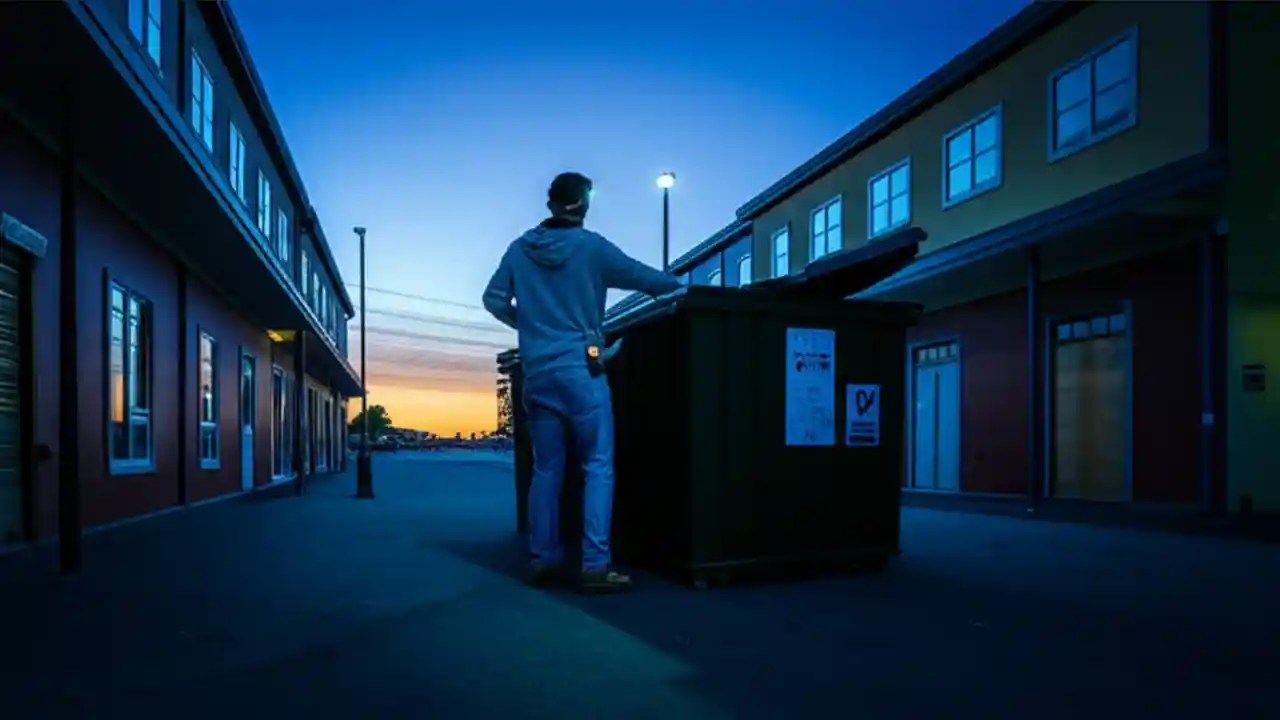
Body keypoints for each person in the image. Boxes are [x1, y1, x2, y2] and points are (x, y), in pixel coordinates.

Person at [482, 171, 681, 593]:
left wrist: (531, 326)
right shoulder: (592, 248)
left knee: (547, 469)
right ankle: (594, 565)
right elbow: (643, 277)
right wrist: (682, 285)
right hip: (581, 371)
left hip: (537, 376)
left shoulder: (519, 250)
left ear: (550, 202)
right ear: (584, 204)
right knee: (598, 466)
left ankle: (544, 558)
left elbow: (493, 299)